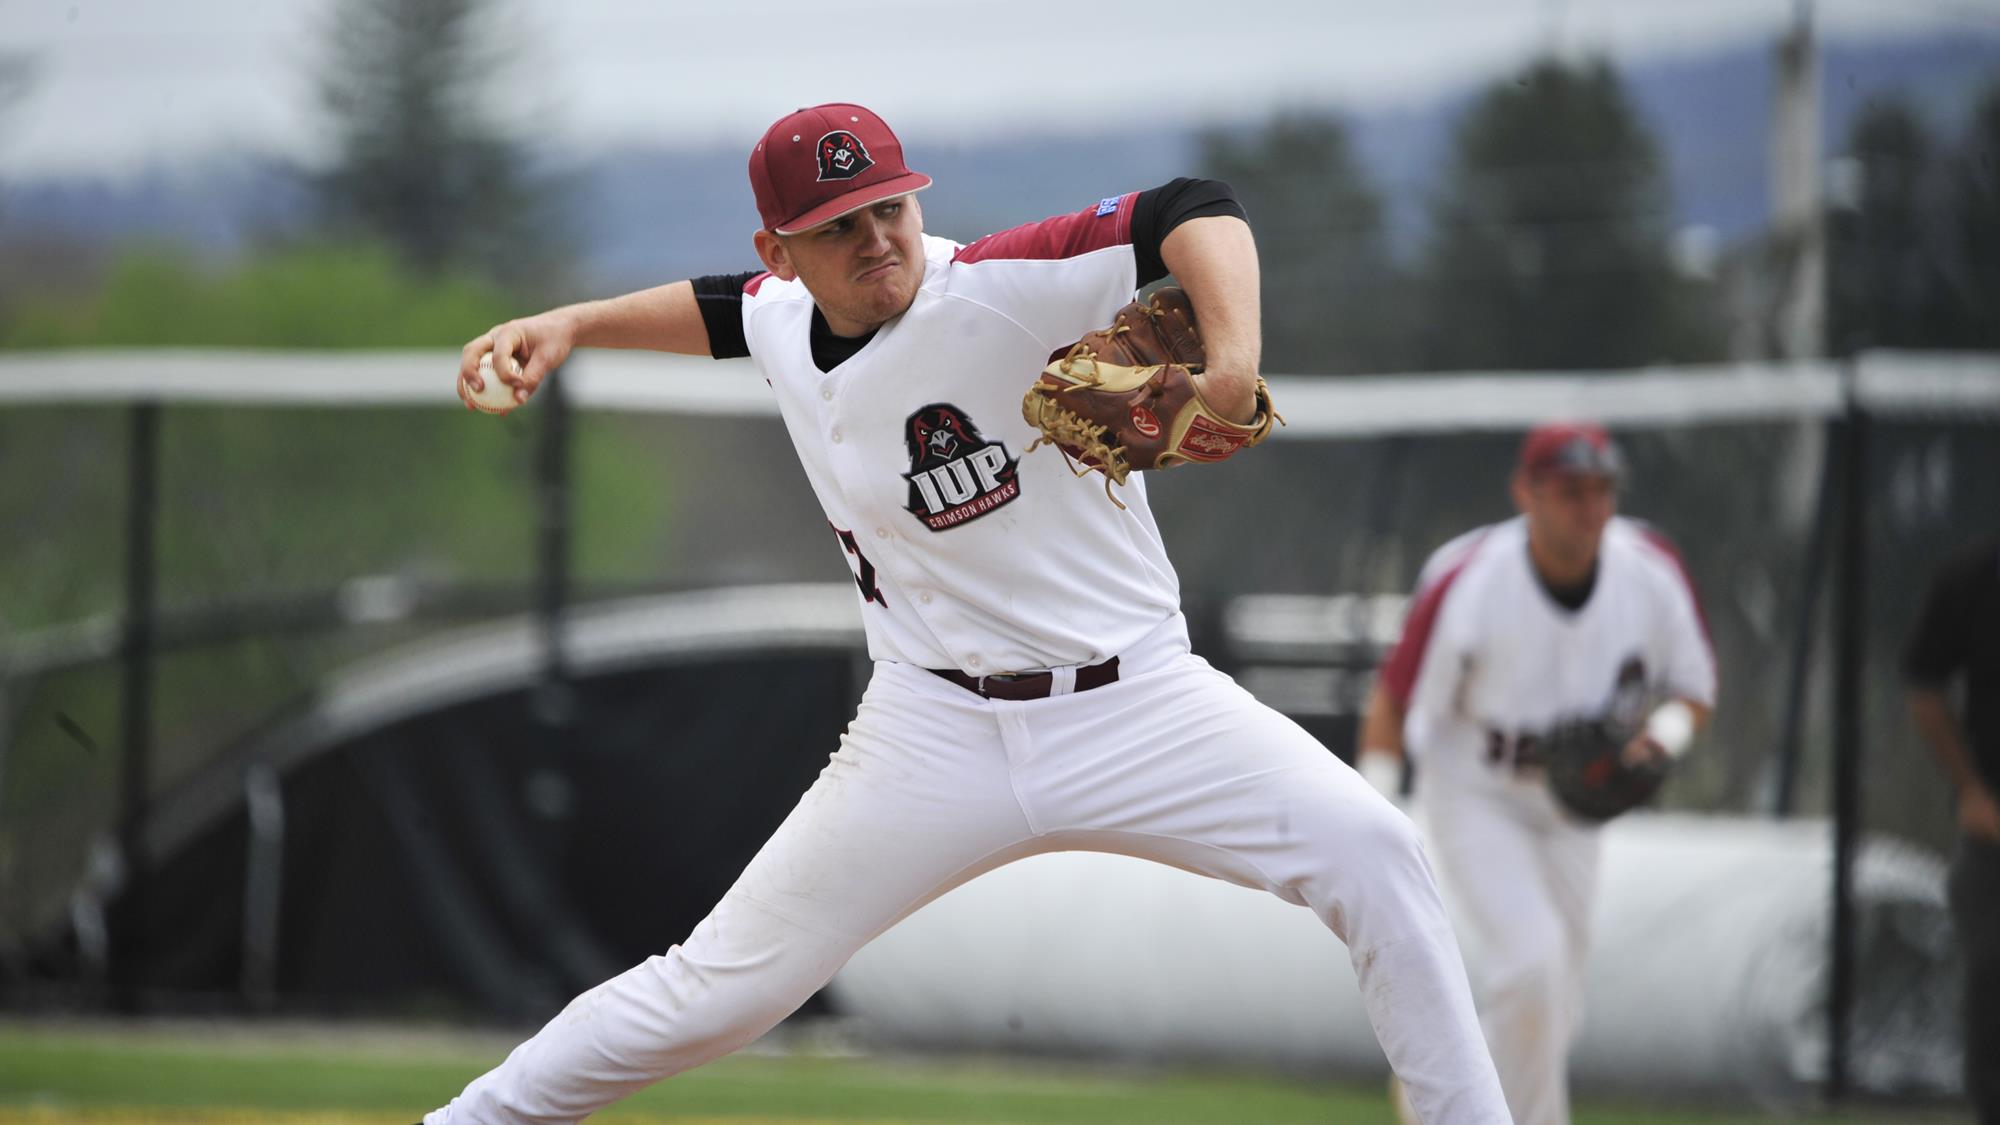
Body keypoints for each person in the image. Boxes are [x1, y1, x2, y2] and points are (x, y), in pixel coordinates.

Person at [424, 103, 1509, 1123]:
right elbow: (719, 313)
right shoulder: (779, 318)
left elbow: (1193, 205)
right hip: (929, 730)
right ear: (781, 254)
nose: (875, 239)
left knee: (1375, 853)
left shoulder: (1000, 286)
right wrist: (567, 324)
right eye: (835, 228)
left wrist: (1230, 367)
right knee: (718, 991)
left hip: (1136, 700)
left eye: (888, 207)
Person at [1355, 421, 1716, 1125]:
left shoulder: (1649, 568)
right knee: (1532, 966)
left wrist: (1662, 740)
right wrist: (1375, 811)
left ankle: (1435, 1094)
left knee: (1554, 1009)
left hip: (1574, 810)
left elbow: (1695, 688)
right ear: (1527, 491)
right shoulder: (1470, 576)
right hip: (1476, 791)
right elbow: (1393, 700)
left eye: (1602, 489)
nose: (1589, 506)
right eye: (1570, 489)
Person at [1904, 537, 2000, 1125]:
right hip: (1993, 831)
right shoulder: (1975, 577)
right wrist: (1971, 790)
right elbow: (1923, 682)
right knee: (1991, 977)